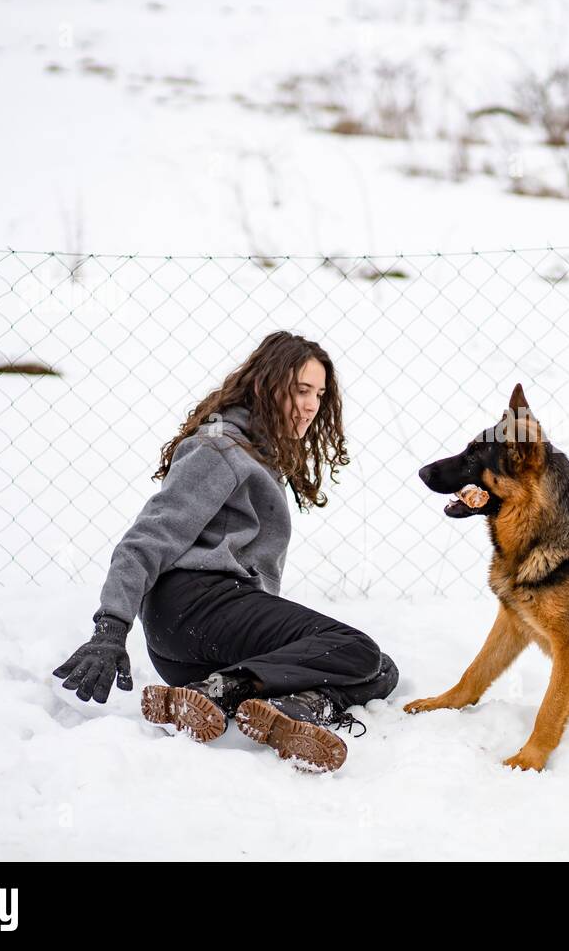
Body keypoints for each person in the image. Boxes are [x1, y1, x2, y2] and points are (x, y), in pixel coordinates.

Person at [52, 331, 398, 772]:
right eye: (300, 390)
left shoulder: (259, 452)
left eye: (319, 394)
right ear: (265, 385)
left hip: (192, 647)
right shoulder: (218, 446)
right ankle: (223, 689)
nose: (311, 405)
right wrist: (110, 629)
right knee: (353, 648)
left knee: (381, 670)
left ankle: (294, 708)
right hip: (194, 606)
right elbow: (147, 538)